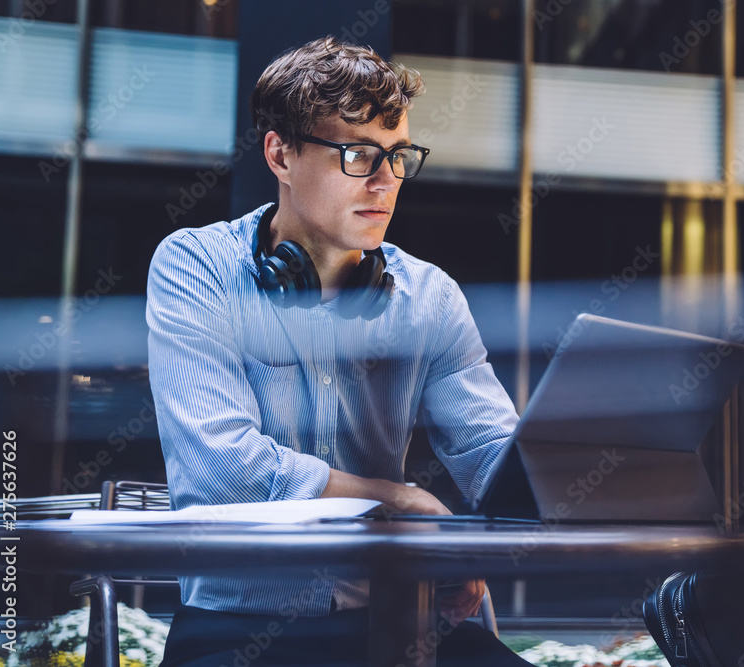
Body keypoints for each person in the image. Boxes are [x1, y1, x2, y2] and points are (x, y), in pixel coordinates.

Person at [146, 36, 531, 666]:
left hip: (398, 625)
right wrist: (396, 498)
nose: (386, 182)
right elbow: (222, 468)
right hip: (235, 632)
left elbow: (492, 454)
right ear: (280, 154)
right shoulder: (196, 266)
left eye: (398, 156)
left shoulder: (429, 297)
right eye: (358, 155)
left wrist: (545, 482)